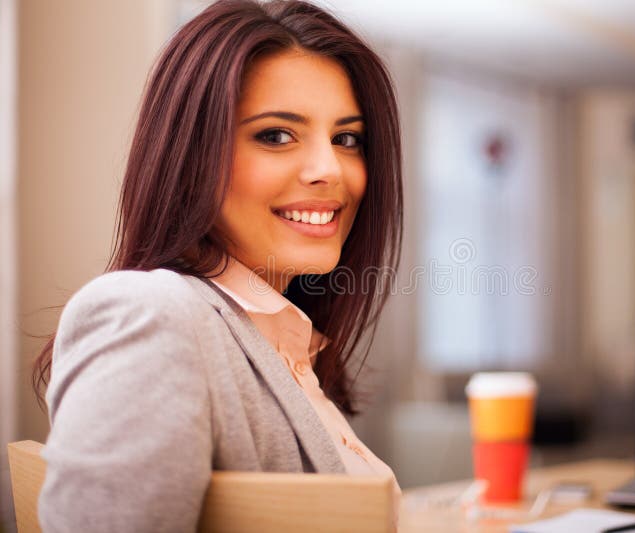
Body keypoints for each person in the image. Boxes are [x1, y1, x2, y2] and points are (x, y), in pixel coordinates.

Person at [32, 0, 403, 531]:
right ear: (191, 159)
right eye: (276, 134)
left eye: (347, 139)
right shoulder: (152, 314)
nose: (330, 170)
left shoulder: (281, 344)